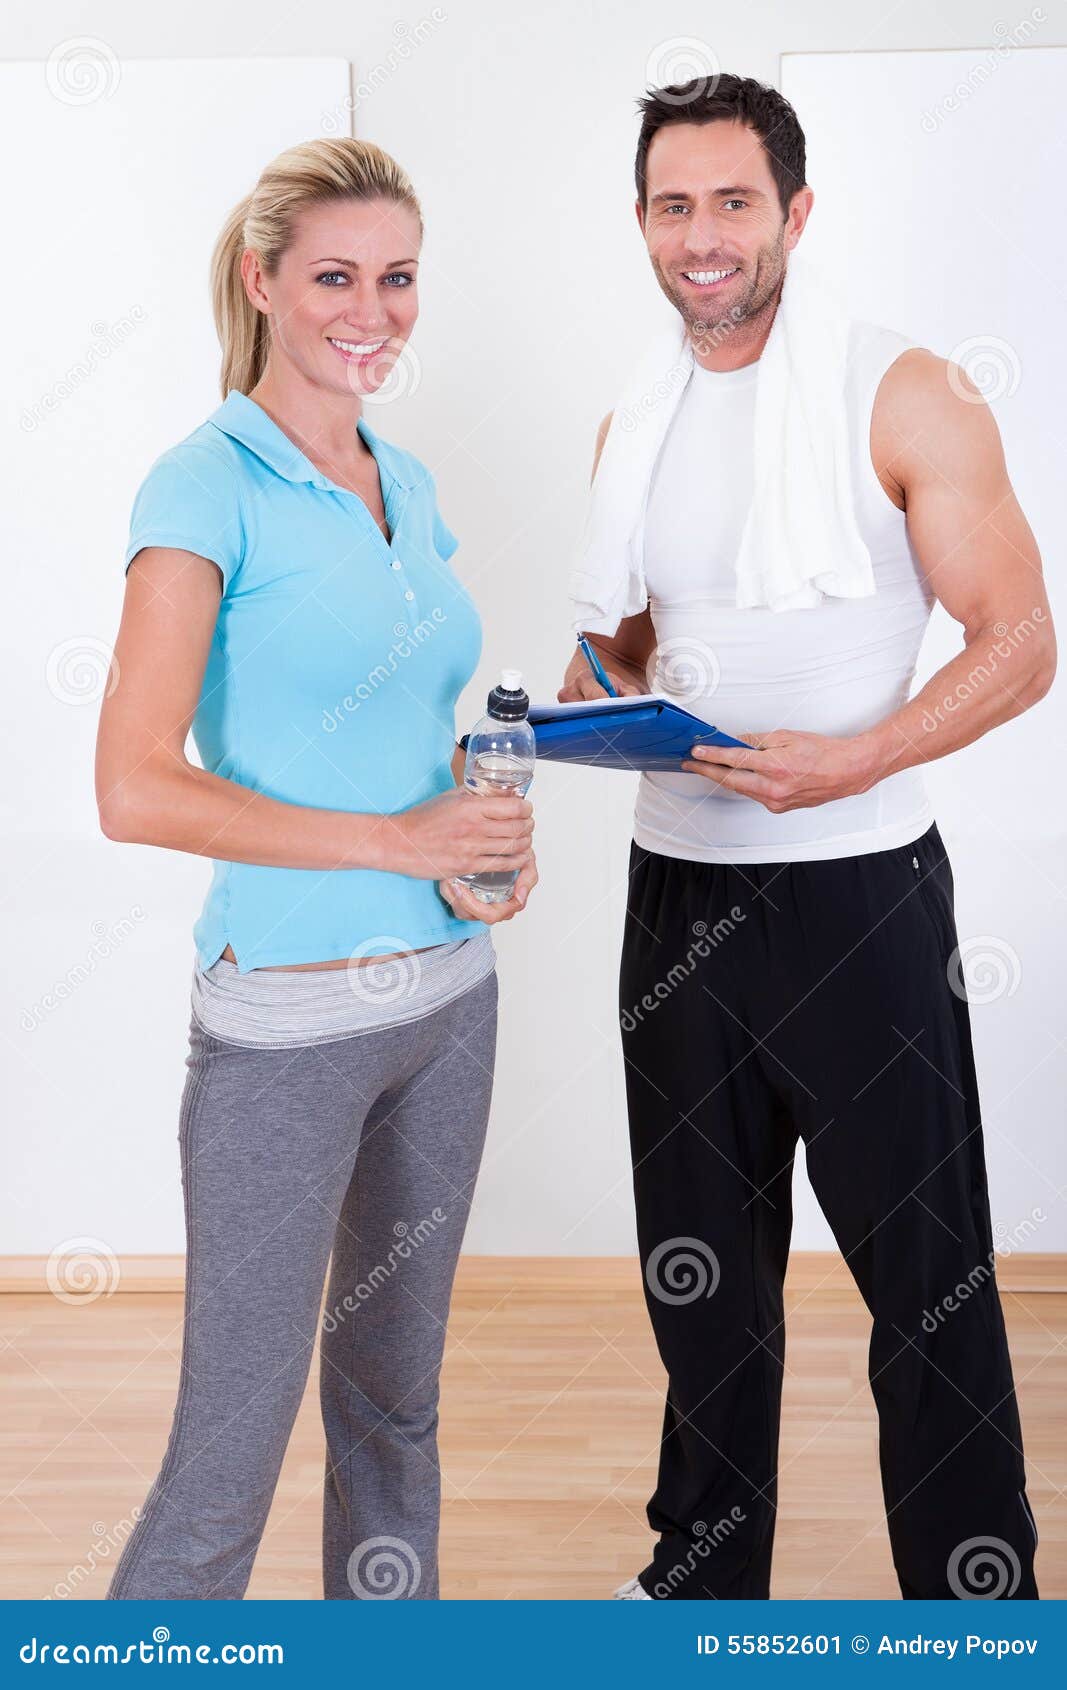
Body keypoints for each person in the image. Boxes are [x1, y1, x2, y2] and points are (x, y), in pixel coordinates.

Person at [559, 74, 1052, 1601]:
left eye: (733, 201)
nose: (702, 235)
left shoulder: (906, 392)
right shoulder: (631, 420)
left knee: (928, 1277)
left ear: (796, 211)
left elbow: (1020, 636)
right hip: (677, 897)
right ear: (642, 222)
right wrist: (556, 716)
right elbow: (621, 647)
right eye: (674, 205)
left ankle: (972, 1606)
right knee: (701, 1281)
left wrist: (859, 758)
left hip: (860, 898)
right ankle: (701, 1592)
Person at [95, 137, 536, 1600]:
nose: (373, 310)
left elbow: (407, 725)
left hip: (448, 999)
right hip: (284, 1022)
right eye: (336, 276)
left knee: (396, 1415)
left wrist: (478, 831)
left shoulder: (401, 475)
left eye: (398, 278)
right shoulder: (203, 483)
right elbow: (133, 784)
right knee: (228, 1457)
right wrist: (397, 840)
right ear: (262, 281)